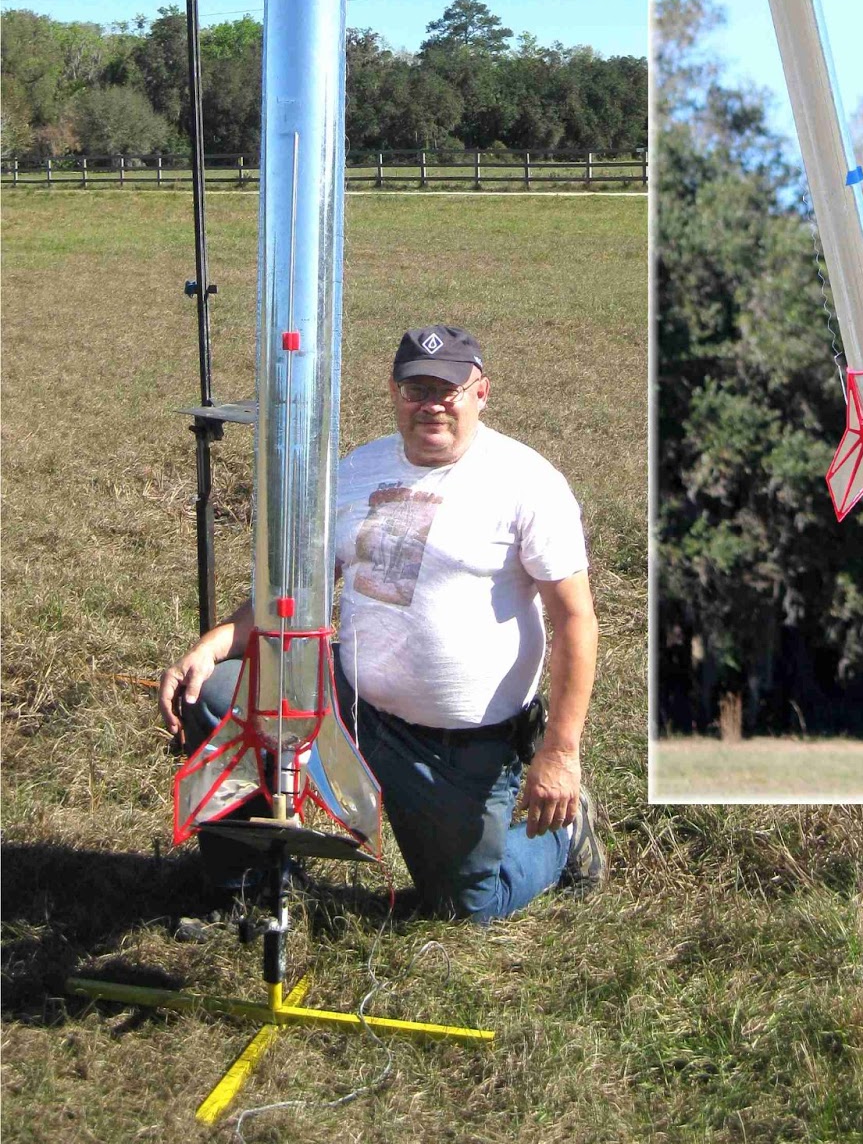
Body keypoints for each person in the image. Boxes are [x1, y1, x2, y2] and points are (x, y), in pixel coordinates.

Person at [159, 324, 606, 924]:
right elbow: (300, 592)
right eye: (416, 389)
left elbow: (576, 620)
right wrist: (214, 643)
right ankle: (249, 885)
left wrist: (561, 752)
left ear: (481, 393)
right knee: (216, 691)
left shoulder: (527, 482)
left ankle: (563, 835)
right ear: (394, 393)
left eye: (448, 389)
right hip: (350, 705)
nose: (432, 404)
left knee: (464, 906)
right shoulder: (356, 470)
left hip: (456, 746)